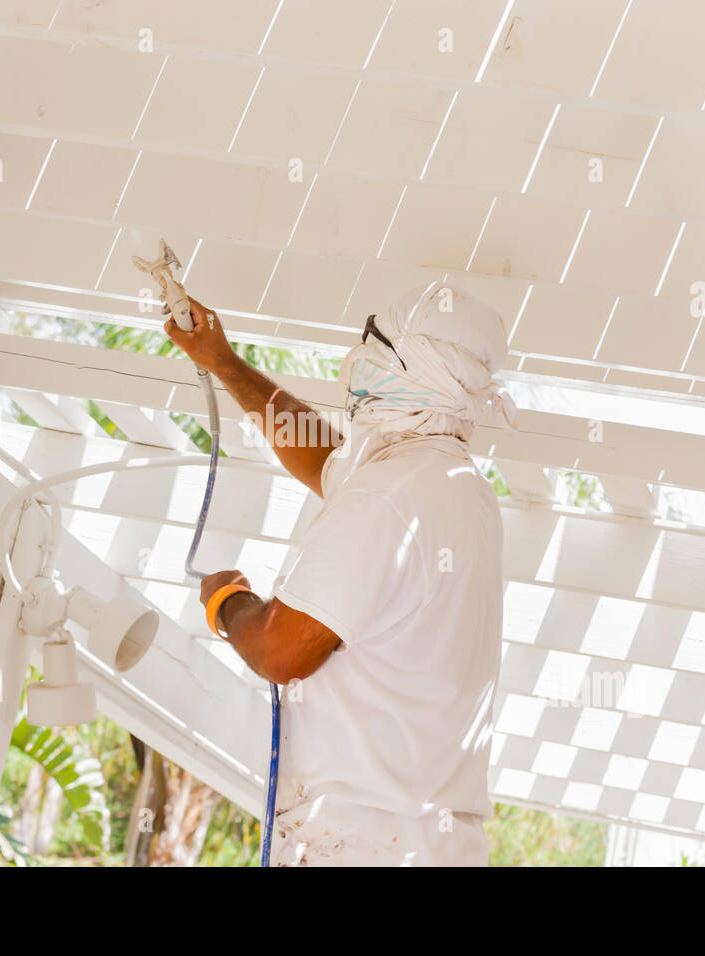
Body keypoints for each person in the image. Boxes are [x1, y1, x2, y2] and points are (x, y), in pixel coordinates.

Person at [164, 281, 517, 866]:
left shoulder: (392, 494)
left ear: (411, 368)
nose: (360, 363)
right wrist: (225, 363)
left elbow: (283, 652)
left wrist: (227, 604)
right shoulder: (456, 488)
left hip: (361, 843)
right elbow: (328, 460)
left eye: (377, 346)